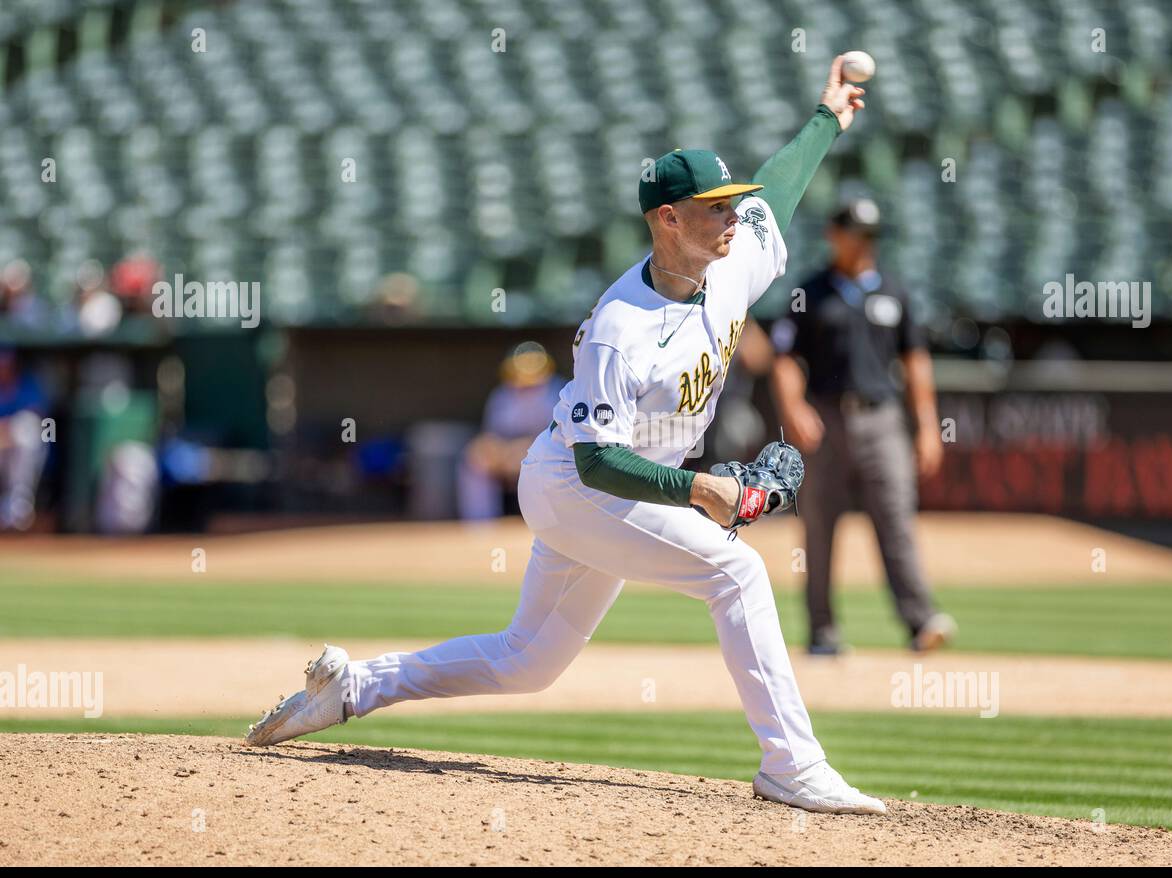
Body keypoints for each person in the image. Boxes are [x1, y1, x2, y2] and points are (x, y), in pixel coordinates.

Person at [247, 57, 889, 815]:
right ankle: (792, 765)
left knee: (528, 661)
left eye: (729, 205)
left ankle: (352, 688)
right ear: (667, 218)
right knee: (737, 574)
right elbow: (596, 461)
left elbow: (776, 192)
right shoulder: (621, 329)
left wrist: (825, 116)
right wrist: (700, 489)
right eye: (714, 206)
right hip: (578, 484)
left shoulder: (731, 256)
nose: (731, 217)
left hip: (618, 482)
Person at [769, 197, 956, 655]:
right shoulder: (810, 291)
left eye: (870, 234)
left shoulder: (893, 290)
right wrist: (793, 408)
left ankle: (919, 619)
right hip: (826, 419)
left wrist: (928, 426)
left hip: (882, 417)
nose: (863, 243)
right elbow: (785, 357)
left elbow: (915, 361)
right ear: (834, 234)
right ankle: (822, 632)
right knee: (819, 526)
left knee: (896, 519)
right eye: (855, 232)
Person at [457, 342, 565, 520]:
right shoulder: (502, 396)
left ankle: (547, 522)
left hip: (549, 452)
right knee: (476, 458)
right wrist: (498, 451)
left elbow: (562, 436)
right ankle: (480, 523)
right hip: (512, 453)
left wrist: (528, 447)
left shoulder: (559, 392)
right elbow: (493, 436)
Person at [0, 346, 49, 531]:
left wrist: (6, 432)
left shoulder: (28, 386)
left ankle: (17, 512)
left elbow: (41, 423)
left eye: (6, 363)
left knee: (26, 430)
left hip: (27, 453)